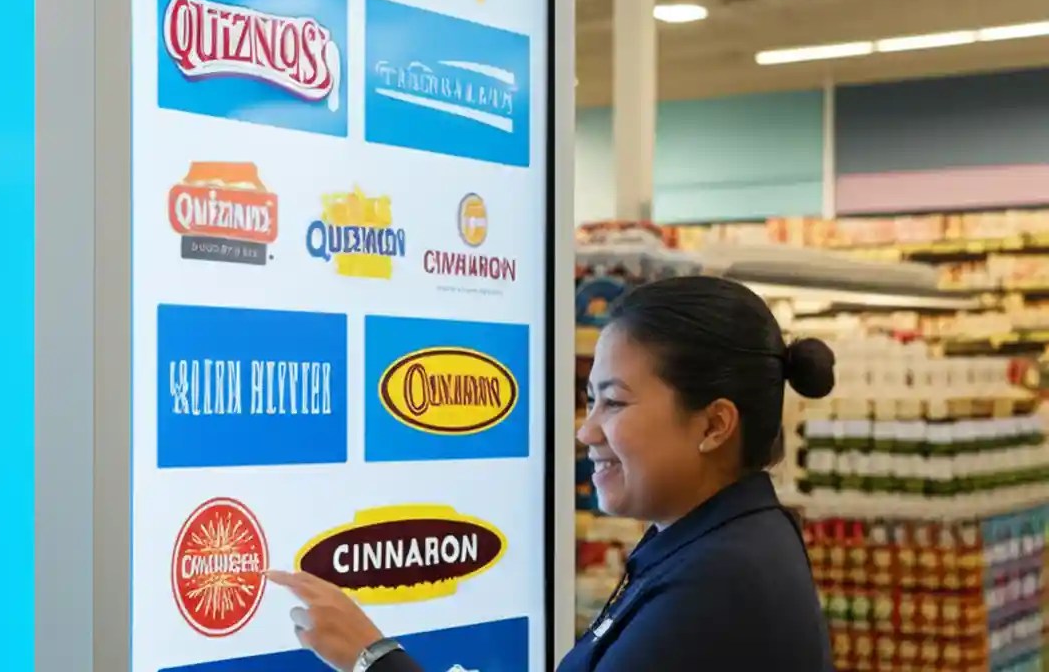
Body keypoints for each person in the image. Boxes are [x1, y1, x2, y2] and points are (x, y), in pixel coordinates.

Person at [269, 275, 836, 672]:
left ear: (714, 425)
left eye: (614, 404)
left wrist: (372, 658)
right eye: (590, 401)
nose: (586, 433)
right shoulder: (715, 543)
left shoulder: (720, 583)